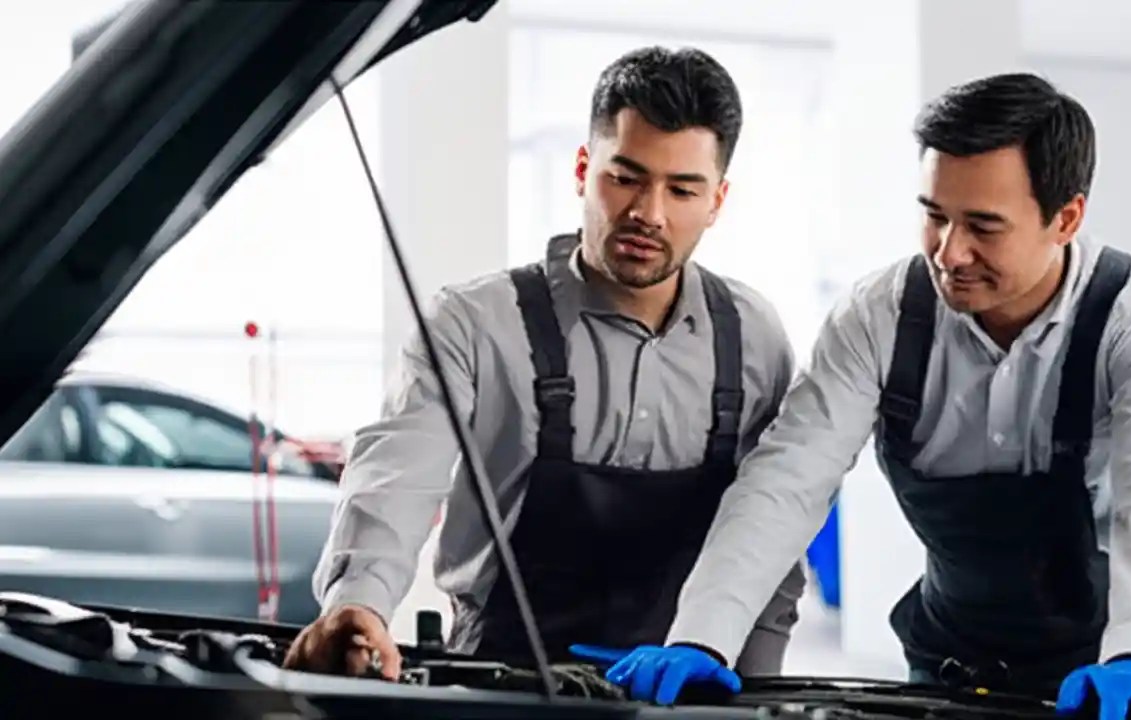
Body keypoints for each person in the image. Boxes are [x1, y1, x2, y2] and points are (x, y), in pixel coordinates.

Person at [596, 72, 1131, 720]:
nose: (950, 253)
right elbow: (787, 479)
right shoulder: (879, 316)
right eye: (934, 215)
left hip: (1126, 668)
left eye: (984, 225)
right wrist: (704, 634)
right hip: (958, 660)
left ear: (1066, 219)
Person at [281, 45, 806, 680]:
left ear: (717, 201)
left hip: (682, 691)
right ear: (584, 168)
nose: (649, 213)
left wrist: (757, 685)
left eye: (682, 189)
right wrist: (357, 603)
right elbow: (397, 476)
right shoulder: (475, 324)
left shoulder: (754, 338)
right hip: (498, 684)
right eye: (627, 176)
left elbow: (771, 532)